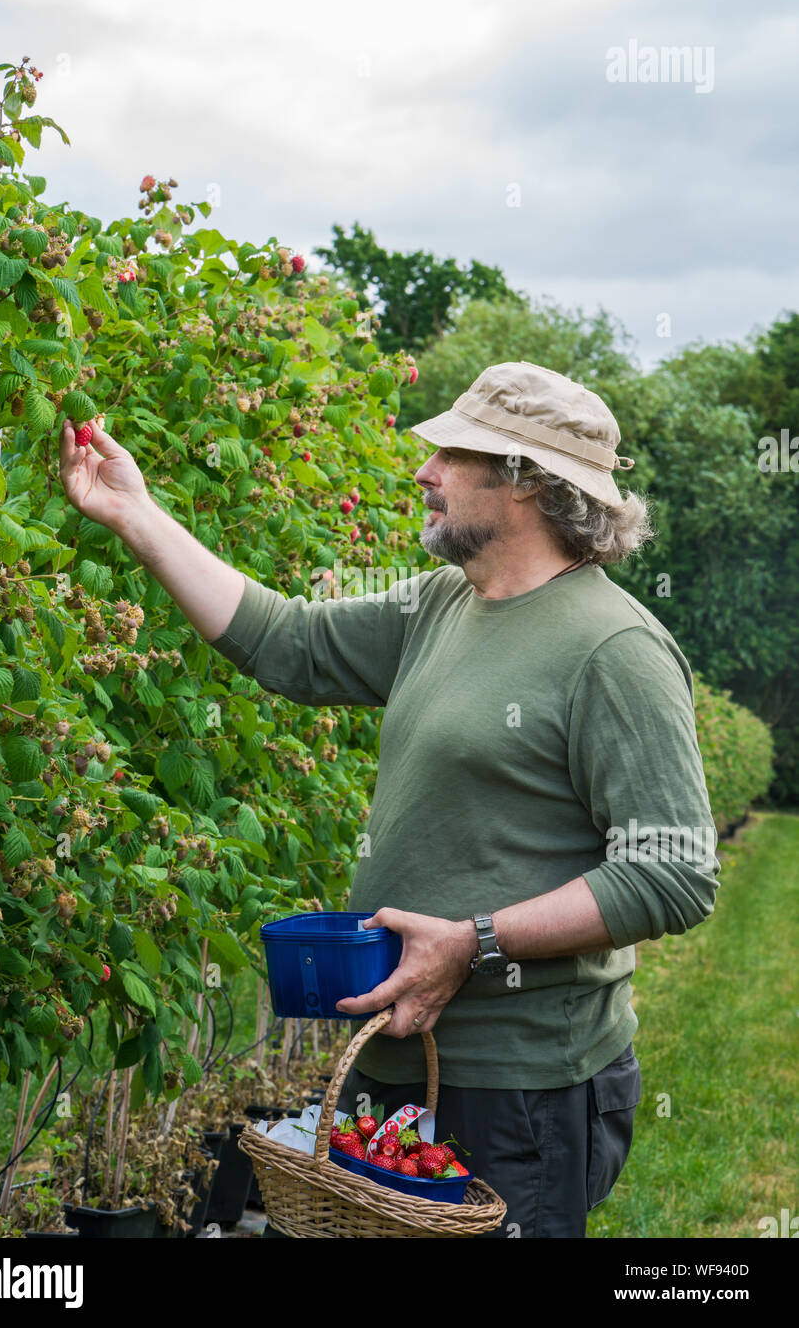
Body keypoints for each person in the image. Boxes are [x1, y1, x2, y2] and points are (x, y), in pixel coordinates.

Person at [58, 359, 720, 1238]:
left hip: (517, 1083)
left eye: (452, 453)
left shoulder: (614, 650)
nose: (425, 472)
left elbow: (672, 873)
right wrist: (132, 514)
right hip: (400, 1058)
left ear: (524, 481)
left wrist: (475, 943)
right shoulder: (447, 602)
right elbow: (285, 643)